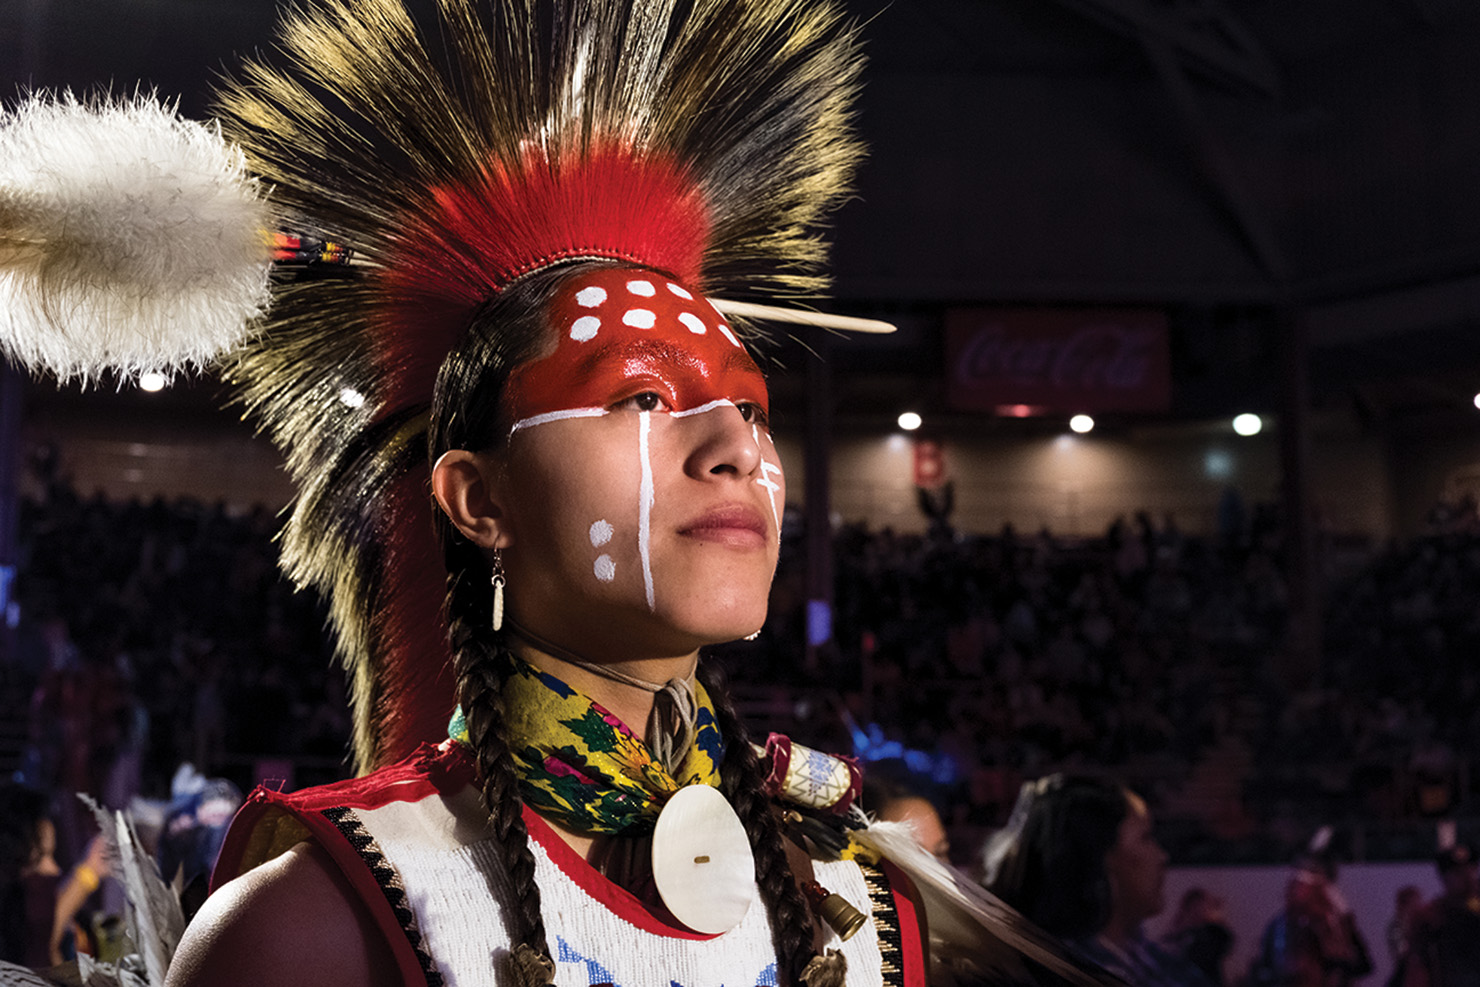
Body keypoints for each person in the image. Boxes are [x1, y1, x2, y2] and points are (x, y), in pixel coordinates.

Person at [983, 774, 1211, 987]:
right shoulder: (1063, 973)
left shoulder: (1162, 965)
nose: (1162, 856)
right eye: (1145, 837)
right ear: (1100, 855)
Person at [1248, 854, 1373, 987]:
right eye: (1294, 885)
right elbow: (1266, 964)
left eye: (1302, 886)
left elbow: (1360, 964)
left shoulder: (1333, 923)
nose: (1295, 891)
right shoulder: (1278, 925)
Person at [1402, 844, 1480, 987]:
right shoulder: (1430, 916)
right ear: (1444, 877)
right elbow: (1418, 966)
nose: (1467, 877)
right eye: (1458, 873)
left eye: (1471, 869)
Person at [1163, 888, 1233, 987]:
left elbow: (1224, 945)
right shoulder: (1186, 939)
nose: (1205, 910)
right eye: (1205, 905)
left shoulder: (1206, 936)